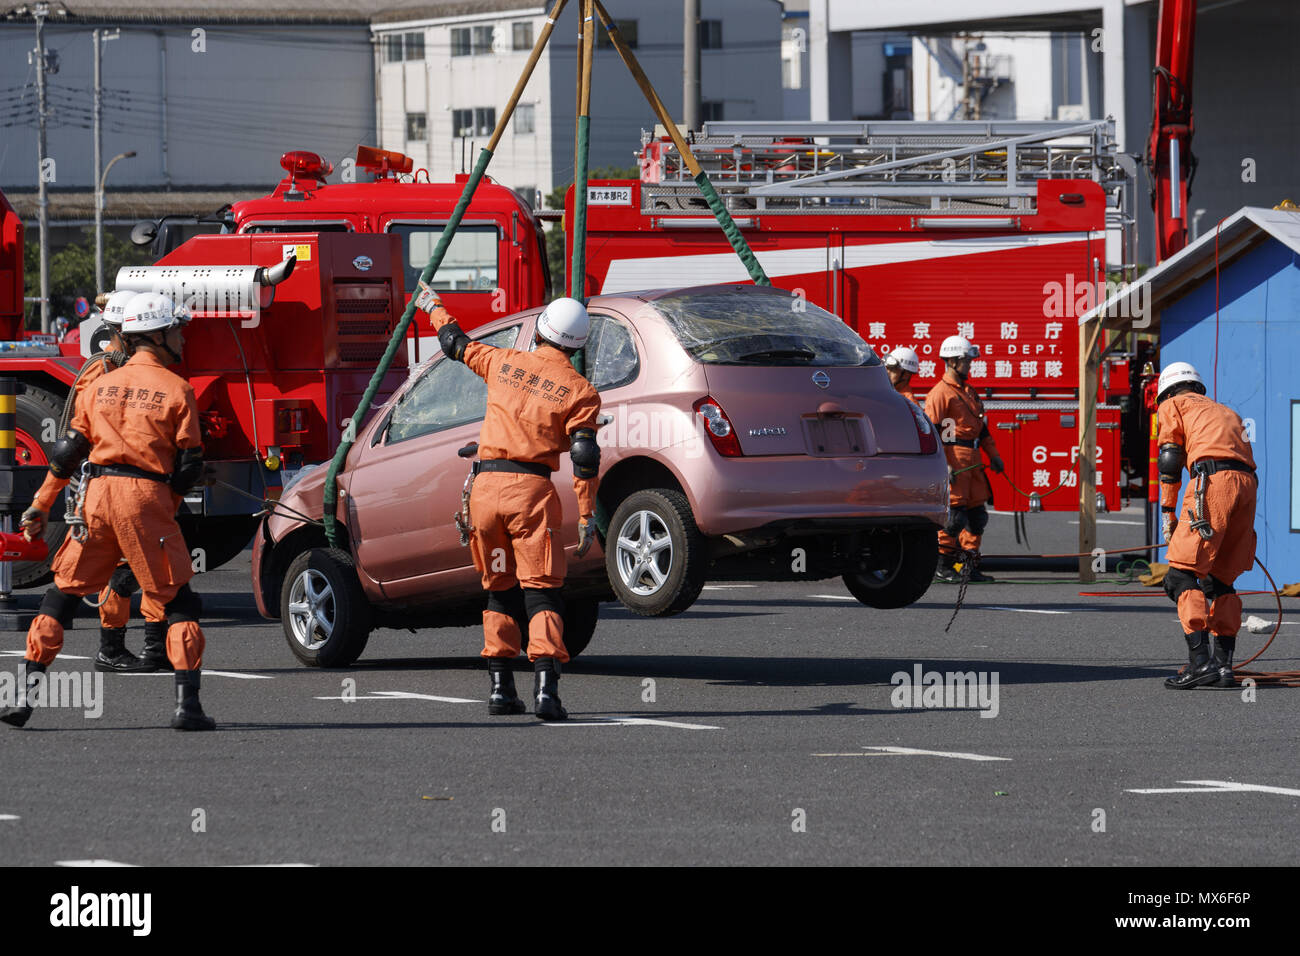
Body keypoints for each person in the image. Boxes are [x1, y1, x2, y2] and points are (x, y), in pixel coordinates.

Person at [0, 293, 214, 731]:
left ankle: (22, 697)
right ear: (155, 335)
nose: (182, 337)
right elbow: (189, 469)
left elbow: (66, 453)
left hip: (94, 497)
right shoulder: (178, 389)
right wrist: (161, 512)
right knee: (179, 602)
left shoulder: (97, 386)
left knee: (60, 597)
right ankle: (187, 707)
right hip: (146, 498)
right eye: (176, 330)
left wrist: (40, 505)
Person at [414, 284, 601, 721]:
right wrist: (588, 512)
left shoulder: (503, 362)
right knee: (541, 593)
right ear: (578, 345)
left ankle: (500, 688)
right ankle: (546, 693)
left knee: (498, 589)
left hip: (485, 494)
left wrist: (432, 305)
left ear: (540, 329)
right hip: (530, 496)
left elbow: (455, 344)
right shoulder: (580, 391)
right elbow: (584, 457)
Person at [62, 291, 169, 674]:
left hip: (143, 483)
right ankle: (114, 646)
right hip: (114, 484)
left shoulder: (130, 370)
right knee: (121, 569)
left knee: (150, 565)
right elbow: (86, 430)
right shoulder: (102, 370)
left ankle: (154, 646)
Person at [1155, 361, 1257, 689]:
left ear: (1167, 391)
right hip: (1246, 486)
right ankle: (1224, 667)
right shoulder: (1227, 411)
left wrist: (1168, 512)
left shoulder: (1173, 405)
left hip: (1211, 483)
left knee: (1180, 576)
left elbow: (1170, 457)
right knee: (1221, 581)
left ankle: (1200, 664)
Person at [923, 334, 1004, 584]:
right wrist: (942, 464)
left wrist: (994, 456)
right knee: (955, 517)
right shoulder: (940, 394)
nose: (970, 364)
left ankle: (969, 565)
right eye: (966, 360)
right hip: (954, 458)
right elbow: (933, 431)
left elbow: (983, 429)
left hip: (973, 459)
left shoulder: (969, 392)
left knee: (977, 516)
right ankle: (943, 566)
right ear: (953, 361)